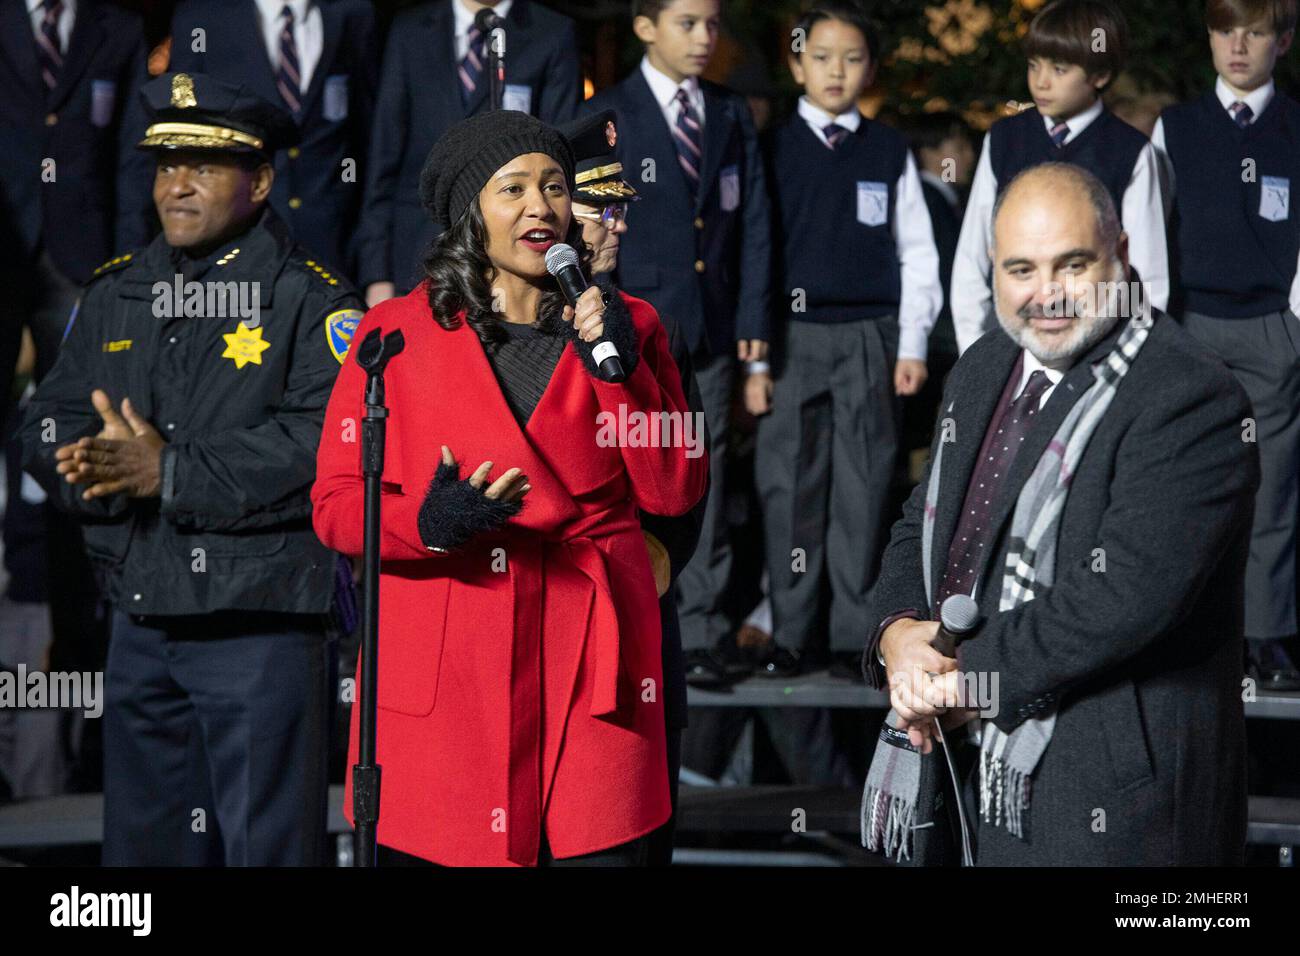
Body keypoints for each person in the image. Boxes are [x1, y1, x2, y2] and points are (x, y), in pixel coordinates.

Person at [311, 111, 708, 867]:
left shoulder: (634, 324)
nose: (541, 206)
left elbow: (673, 489)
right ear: (470, 214)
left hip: (591, 664)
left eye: (555, 187)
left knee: (599, 848)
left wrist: (617, 367)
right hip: (450, 666)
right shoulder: (392, 335)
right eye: (514, 188)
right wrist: (424, 524)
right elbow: (333, 504)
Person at [862, 163, 1256, 866]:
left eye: (1072, 264)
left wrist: (963, 680)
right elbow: (920, 520)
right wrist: (895, 636)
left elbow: (1124, 596)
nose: (1045, 295)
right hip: (967, 776)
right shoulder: (985, 364)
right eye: (1020, 269)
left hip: (1117, 801)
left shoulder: (1189, 394)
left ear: (1122, 255)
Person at [19, 73, 364, 865]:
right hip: (140, 619)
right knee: (141, 859)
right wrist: (87, 466)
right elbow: (47, 415)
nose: (176, 185)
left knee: (265, 851)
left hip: (260, 624)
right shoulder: (116, 290)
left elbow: (329, 443)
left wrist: (169, 473)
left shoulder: (313, 302)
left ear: (261, 180)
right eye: (166, 165)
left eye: (203, 166)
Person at [585, 0, 771, 687]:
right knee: (631, 467)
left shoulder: (727, 113)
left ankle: (704, 627)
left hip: (714, 330)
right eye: (687, 23)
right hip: (636, 328)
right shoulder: (610, 112)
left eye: (713, 24)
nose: (704, 38)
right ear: (644, 26)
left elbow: (753, 224)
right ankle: (636, 612)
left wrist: (753, 337)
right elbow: (599, 226)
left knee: (705, 472)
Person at [754, 1, 942, 681]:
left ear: (871, 67)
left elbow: (917, 252)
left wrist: (912, 344)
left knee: (864, 489)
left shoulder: (889, 148)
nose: (837, 71)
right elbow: (757, 254)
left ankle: (852, 639)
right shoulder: (771, 146)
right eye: (822, 56)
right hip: (792, 335)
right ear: (797, 61)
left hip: (871, 336)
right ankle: (791, 634)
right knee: (788, 487)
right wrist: (759, 353)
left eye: (853, 58)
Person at [560, 107, 709, 866]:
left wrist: (658, 556)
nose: (617, 226)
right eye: (600, 210)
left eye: (621, 210)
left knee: (642, 826)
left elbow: (687, 461)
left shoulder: (651, 322)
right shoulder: (505, 320)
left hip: (639, 598)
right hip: (551, 607)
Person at [1152, 0, 1300, 691]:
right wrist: (1157, 323)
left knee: (1271, 490)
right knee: (1191, 481)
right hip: (1192, 326)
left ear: (1283, 41)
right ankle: (1191, 624)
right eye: (1223, 29)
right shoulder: (1175, 126)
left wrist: (1295, 326)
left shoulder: (1296, 125)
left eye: (1255, 31)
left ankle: (1266, 635)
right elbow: (1150, 229)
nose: (1238, 45)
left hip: (1274, 326)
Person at [949, 0, 1169, 354]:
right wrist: (971, 347)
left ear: (1100, 75)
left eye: (1059, 68)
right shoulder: (1005, 138)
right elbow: (973, 254)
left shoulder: (1130, 151)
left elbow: (1148, 272)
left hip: (1098, 343)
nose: (1041, 81)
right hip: (1008, 340)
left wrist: (1132, 357)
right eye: (1034, 65)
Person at [358, 0, 581, 304]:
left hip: (513, 270)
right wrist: (377, 273)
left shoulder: (552, 31)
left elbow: (561, 156)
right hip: (417, 253)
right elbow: (384, 156)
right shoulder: (410, 30)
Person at [0, 0, 155, 408]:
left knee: (74, 411)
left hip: (80, 256)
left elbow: (133, 157)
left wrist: (126, 261)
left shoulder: (120, 27)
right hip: (4, 239)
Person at [168, 0, 380, 282]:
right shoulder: (202, 19)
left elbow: (369, 141)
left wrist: (374, 268)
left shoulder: (351, 15)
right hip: (233, 251)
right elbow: (182, 137)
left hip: (332, 252)